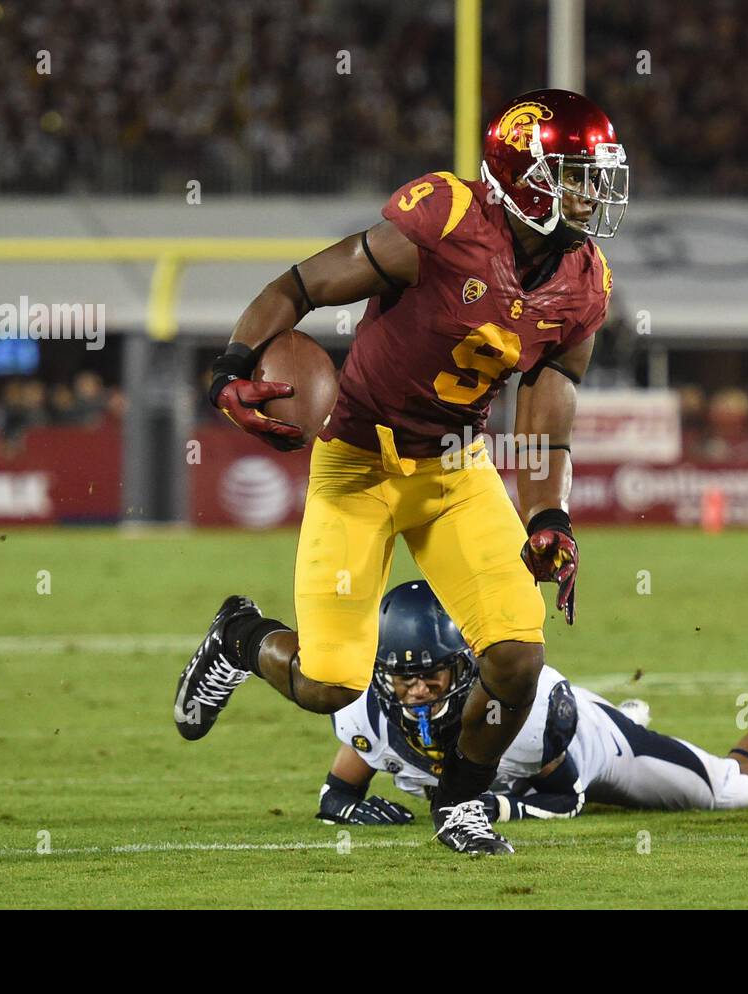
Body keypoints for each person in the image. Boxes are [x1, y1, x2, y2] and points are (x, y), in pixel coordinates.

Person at [173, 90, 629, 855]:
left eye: (597, 176)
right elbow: (303, 286)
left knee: (518, 656)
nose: (592, 193)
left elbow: (552, 395)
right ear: (526, 175)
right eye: (574, 174)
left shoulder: (584, 280)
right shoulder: (447, 222)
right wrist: (230, 366)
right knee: (331, 683)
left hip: (455, 472)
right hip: (358, 464)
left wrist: (551, 516)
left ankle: (459, 803)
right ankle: (240, 637)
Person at [313, 581, 748, 842]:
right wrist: (346, 808)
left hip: (583, 750)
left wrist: (490, 806)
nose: (415, 690)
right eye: (401, 674)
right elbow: (341, 785)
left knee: (735, 793)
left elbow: (565, 800)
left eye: (431, 674)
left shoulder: (521, 715)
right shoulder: (368, 709)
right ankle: (621, 712)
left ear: (466, 668)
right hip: (541, 758)